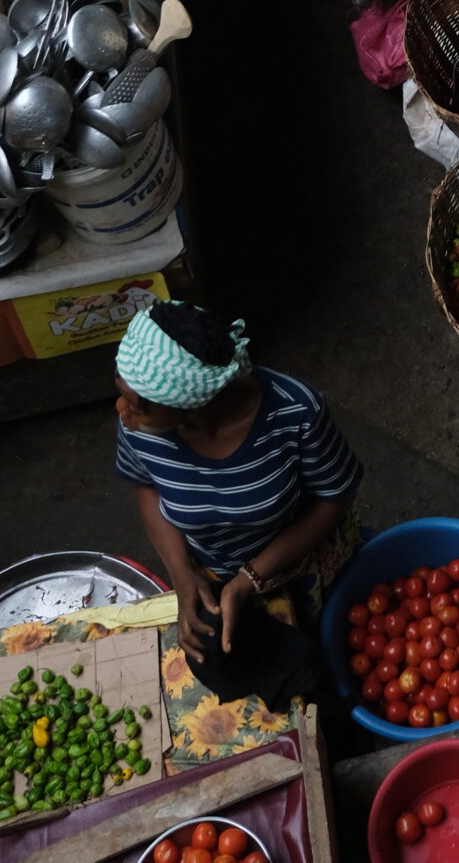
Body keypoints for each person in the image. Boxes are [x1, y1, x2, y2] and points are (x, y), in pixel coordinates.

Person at [114, 300, 361, 710]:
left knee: (338, 653)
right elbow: (147, 487)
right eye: (121, 394)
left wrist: (249, 579)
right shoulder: (142, 426)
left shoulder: (296, 411)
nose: (122, 411)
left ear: (190, 402)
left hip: (302, 562)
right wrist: (183, 576)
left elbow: (336, 496)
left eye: (135, 404)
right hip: (209, 570)